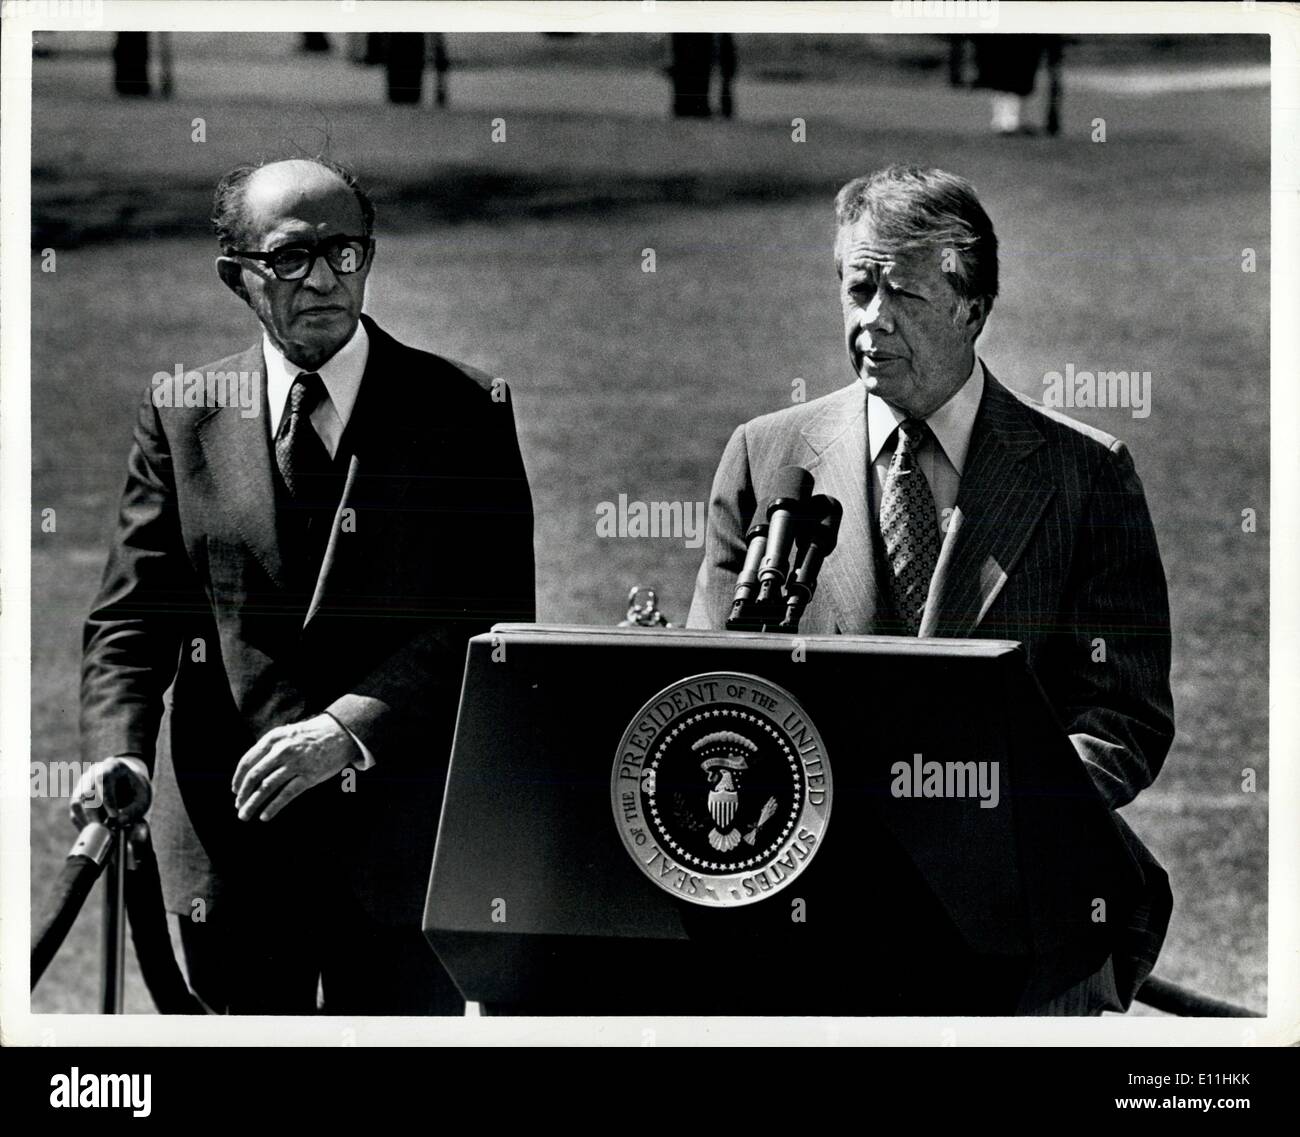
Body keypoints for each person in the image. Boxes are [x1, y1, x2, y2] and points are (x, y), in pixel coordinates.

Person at [687, 164, 1173, 1014]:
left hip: (1024, 935)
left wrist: (1001, 824)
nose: (870, 319)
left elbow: (1122, 714)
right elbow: (713, 691)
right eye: (857, 286)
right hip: (805, 926)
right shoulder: (767, 457)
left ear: (972, 308)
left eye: (901, 293)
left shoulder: (1086, 476)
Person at [73, 157, 536, 1014]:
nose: (324, 278)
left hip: (407, 856)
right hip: (229, 858)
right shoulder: (182, 411)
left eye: (346, 252)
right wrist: (117, 749)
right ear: (237, 277)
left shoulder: (465, 410)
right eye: (291, 257)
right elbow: (131, 619)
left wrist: (348, 727)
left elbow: (493, 623)